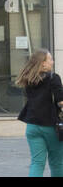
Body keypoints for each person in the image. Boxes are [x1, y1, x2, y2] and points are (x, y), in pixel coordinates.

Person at [15, 48, 63, 177]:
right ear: (43, 63)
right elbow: (61, 102)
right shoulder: (53, 78)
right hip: (51, 126)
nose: (52, 62)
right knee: (57, 162)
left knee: (37, 162)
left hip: (32, 126)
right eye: (50, 59)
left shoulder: (29, 79)